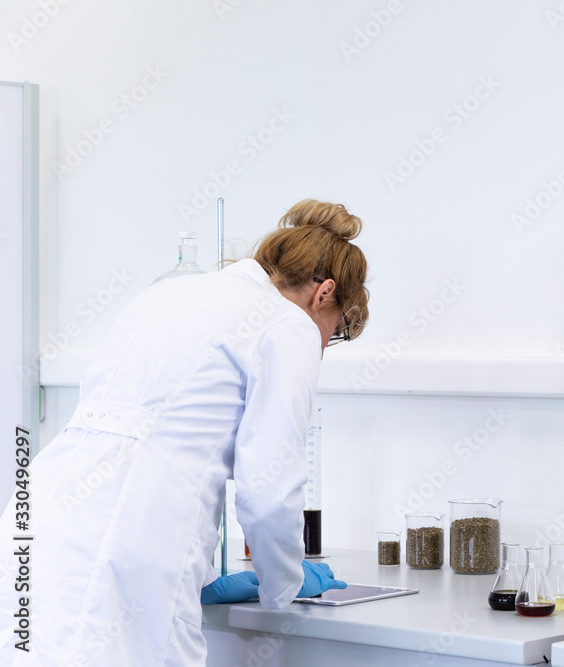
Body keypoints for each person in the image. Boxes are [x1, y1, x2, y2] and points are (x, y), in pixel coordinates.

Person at [0, 199, 370, 666]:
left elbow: (164, 427)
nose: (324, 344)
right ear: (325, 294)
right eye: (335, 329)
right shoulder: (287, 324)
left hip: (36, 523)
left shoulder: (167, 294)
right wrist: (285, 585)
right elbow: (270, 489)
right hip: (131, 551)